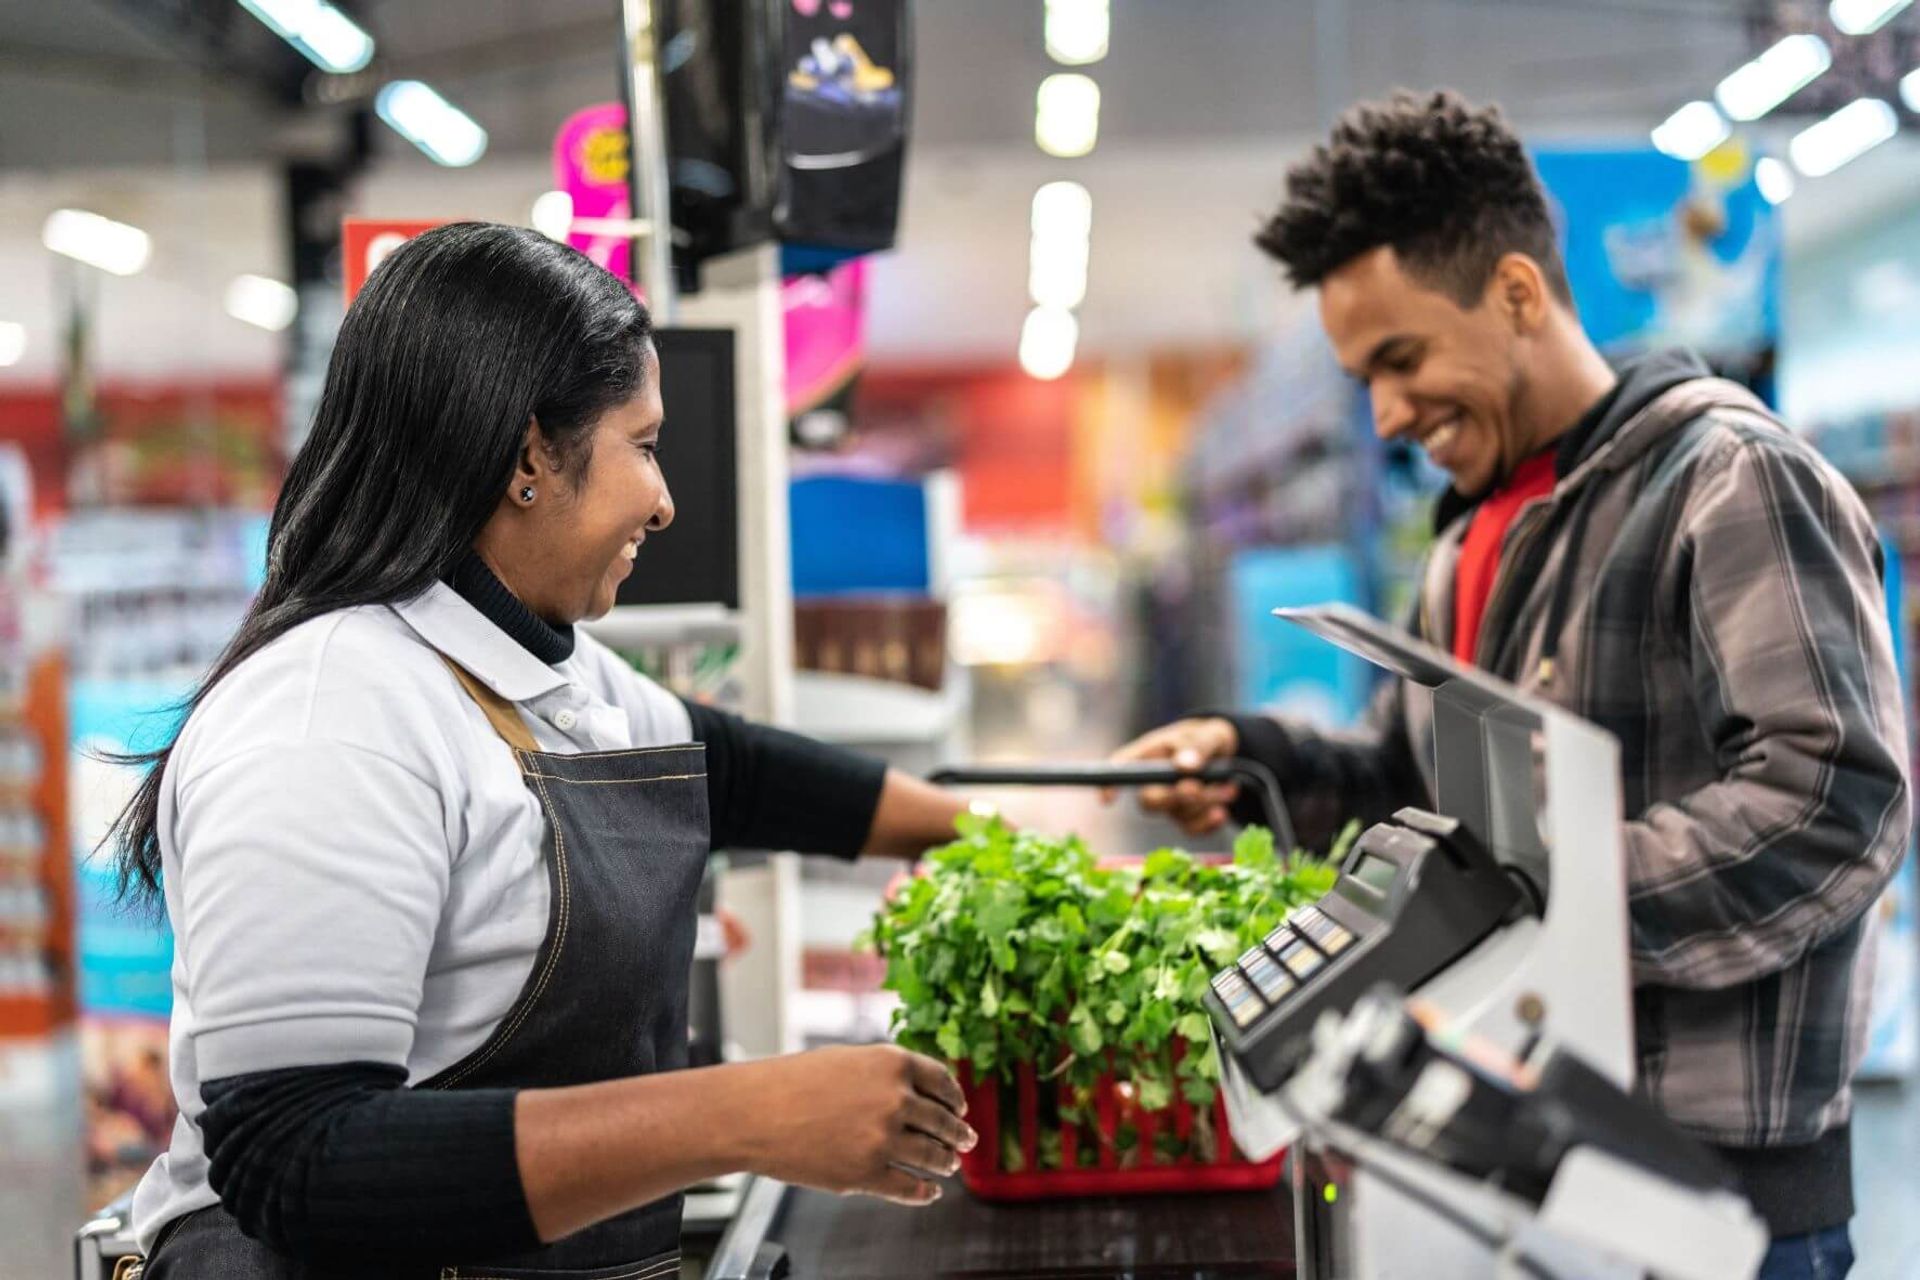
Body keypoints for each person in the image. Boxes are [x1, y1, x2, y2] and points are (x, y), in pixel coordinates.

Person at [1114, 91, 1908, 1279]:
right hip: (1515, 1168)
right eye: (1362, 376)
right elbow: (1406, 770)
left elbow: (1835, 800)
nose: (1386, 413)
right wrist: (1248, 754)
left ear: (1519, 293)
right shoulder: (1471, 536)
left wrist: (1550, 910)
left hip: (1715, 1198)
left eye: (1403, 358)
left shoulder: (1729, 479)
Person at [117, 222, 978, 1278]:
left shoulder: (538, 671)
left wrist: (987, 838)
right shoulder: (330, 714)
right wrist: (745, 1113)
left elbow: (734, 771)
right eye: (644, 443)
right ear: (531, 452)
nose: (663, 501)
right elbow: (295, 1158)